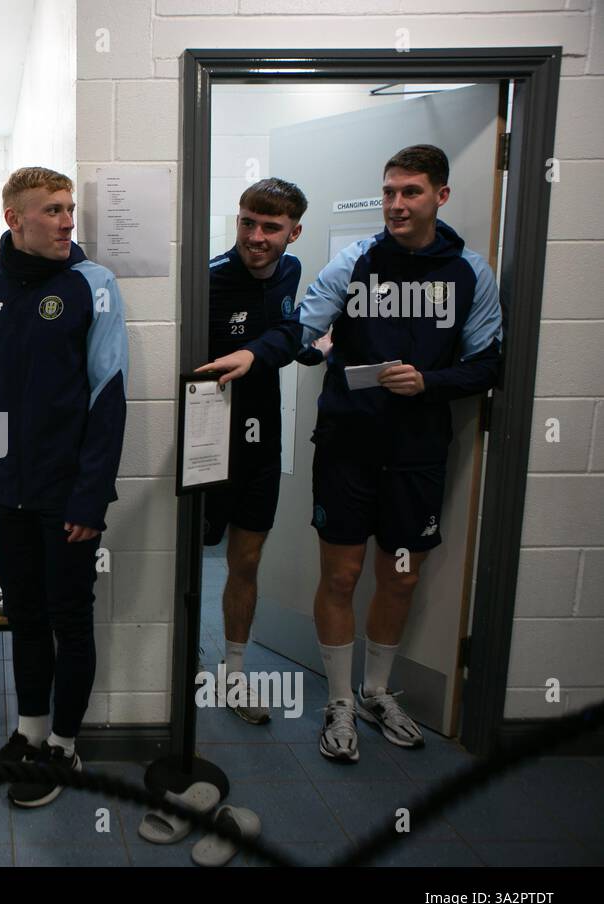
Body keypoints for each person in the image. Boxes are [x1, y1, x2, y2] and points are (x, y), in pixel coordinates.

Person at [206, 145, 502, 762]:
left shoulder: (470, 271)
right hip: (347, 444)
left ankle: (376, 691)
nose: (396, 203)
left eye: (411, 192)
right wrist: (260, 354)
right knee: (340, 575)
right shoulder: (354, 259)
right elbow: (302, 327)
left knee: (402, 576)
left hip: (418, 451)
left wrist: (430, 383)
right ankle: (338, 702)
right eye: (390, 191)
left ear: (439, 197)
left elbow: (488, 363)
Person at [0, 166, 129, 807]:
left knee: (68, 618)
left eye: (69, 209)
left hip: (67, 496)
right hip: (5, 490)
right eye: (53, 210)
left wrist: (90, 497)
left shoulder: (94, 285)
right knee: (24, 616)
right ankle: (28, 734)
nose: (67, 221)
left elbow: (108, 397)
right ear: (14, 219)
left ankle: (63, 744)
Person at [194, 178, 307, 724]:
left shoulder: (290, 271)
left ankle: (233, 673)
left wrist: (288, 348)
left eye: (270, 227)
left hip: (261, 443)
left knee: (247, 560)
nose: (256, 237)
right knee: (185, 558)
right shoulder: (209, 280)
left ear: (293, 231)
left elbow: (290, 328)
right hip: (206, 440)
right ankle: (172, 663)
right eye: (247, 223)